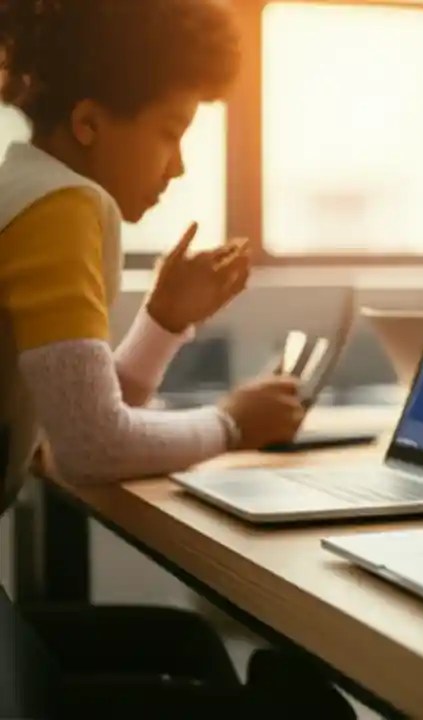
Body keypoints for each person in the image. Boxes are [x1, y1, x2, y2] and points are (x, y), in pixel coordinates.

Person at [0, 1, 352, 715]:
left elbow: (84, 418)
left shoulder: (24, 186)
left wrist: (163, 319)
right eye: (171, 132)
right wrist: (230, 423)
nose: (181, 163)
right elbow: (92, 447)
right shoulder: (63, 206)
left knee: (190, 644)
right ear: (91, 121)